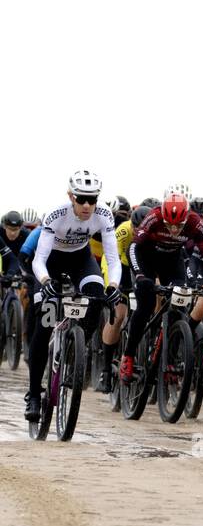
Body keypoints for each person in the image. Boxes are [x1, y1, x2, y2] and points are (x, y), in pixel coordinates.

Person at [25, 170, 122, 420]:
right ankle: (34, 394)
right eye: (81, 199)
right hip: (51, 263)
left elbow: (112, 258)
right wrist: (45, 281)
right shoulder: (57, 215)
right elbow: (39, 259)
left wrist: (113, 285)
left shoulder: (104, 215)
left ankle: (75, 347)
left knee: (97, 295)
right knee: (43, 323)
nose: (87, 205)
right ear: (71, 196)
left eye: (93, 199)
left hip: (81, 260)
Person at [120, 193, 203, 382]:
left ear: (186, 218)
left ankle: (170, 358)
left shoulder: (196, 223)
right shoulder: (154, 217)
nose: (174, 229)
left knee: (179, 305)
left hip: (172, 261)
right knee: (146, 305)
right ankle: (129, 356)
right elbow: (134, 248)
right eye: (169, 225)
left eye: (179, 226)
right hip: (146, 259)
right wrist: (140, 275)